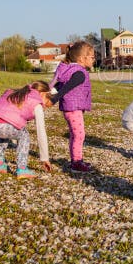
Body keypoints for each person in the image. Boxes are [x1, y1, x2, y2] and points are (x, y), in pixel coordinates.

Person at [0, 81, 53, 178]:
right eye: (45, 103)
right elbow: (41, 132)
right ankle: (22, 169)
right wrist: (44, 158)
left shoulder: (13, 93)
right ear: (43, 94)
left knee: (5, 131)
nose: (44, 106)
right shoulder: (36, 104)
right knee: (24, 135)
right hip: (5, 125)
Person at [50, 41, 95, 173]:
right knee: (79, 135)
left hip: (71, 107)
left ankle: (76, 160)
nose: (94, 60)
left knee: (74, 135)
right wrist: (54, 98)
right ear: (82, 59)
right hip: (73, 108)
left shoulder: (71, 69)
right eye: (92, 57)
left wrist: (55, 95)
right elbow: (65, 88)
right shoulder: (79, 73)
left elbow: (61, 85)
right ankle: (76, 163)